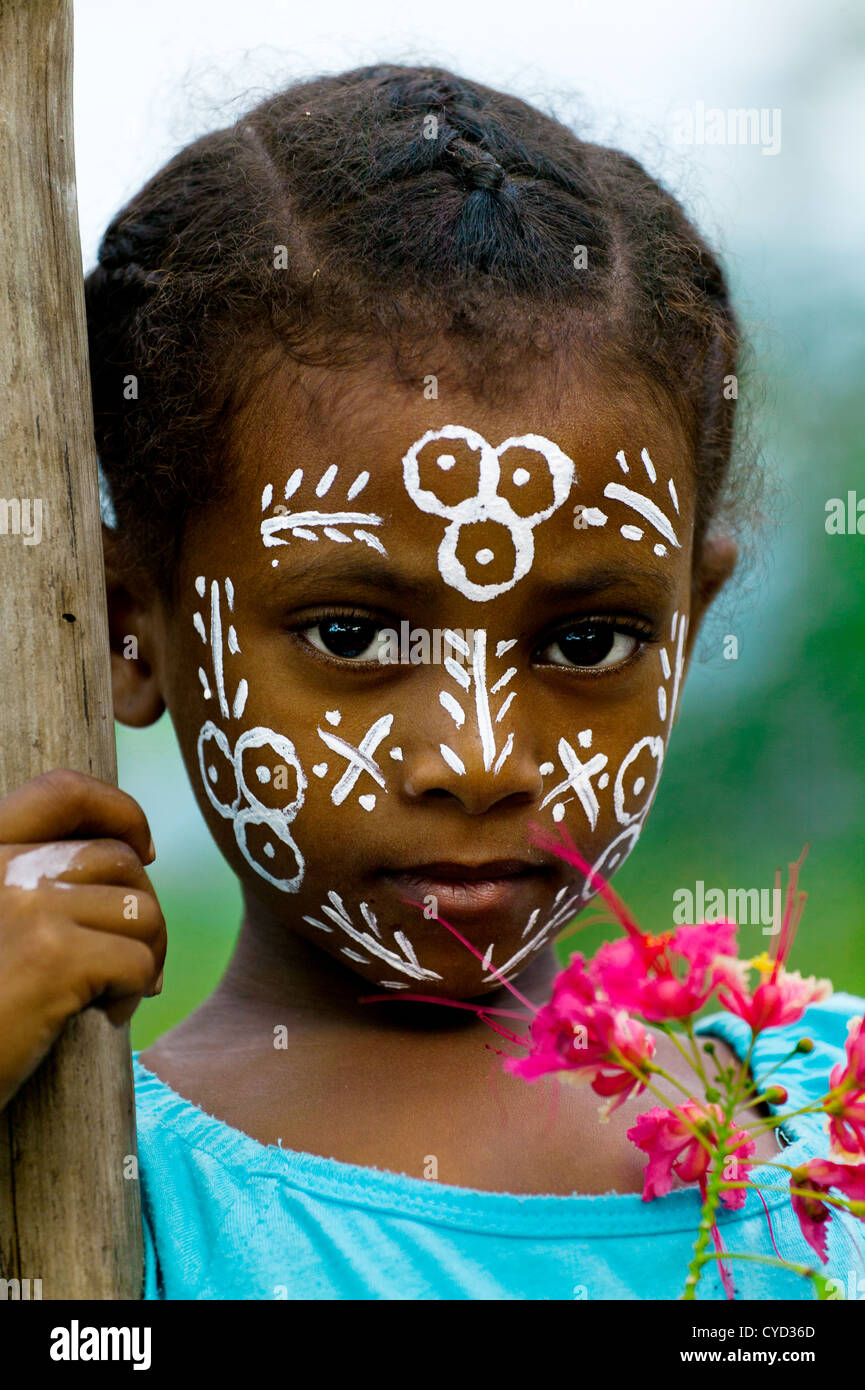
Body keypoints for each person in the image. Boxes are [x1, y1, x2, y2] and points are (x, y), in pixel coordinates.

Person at [1, 63, 861, 1300]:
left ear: (690, 620)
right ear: (133, 631)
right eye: (352, 636)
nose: (477, 755)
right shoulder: (80, 1181)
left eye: (582, 644)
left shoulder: (827, 1122)